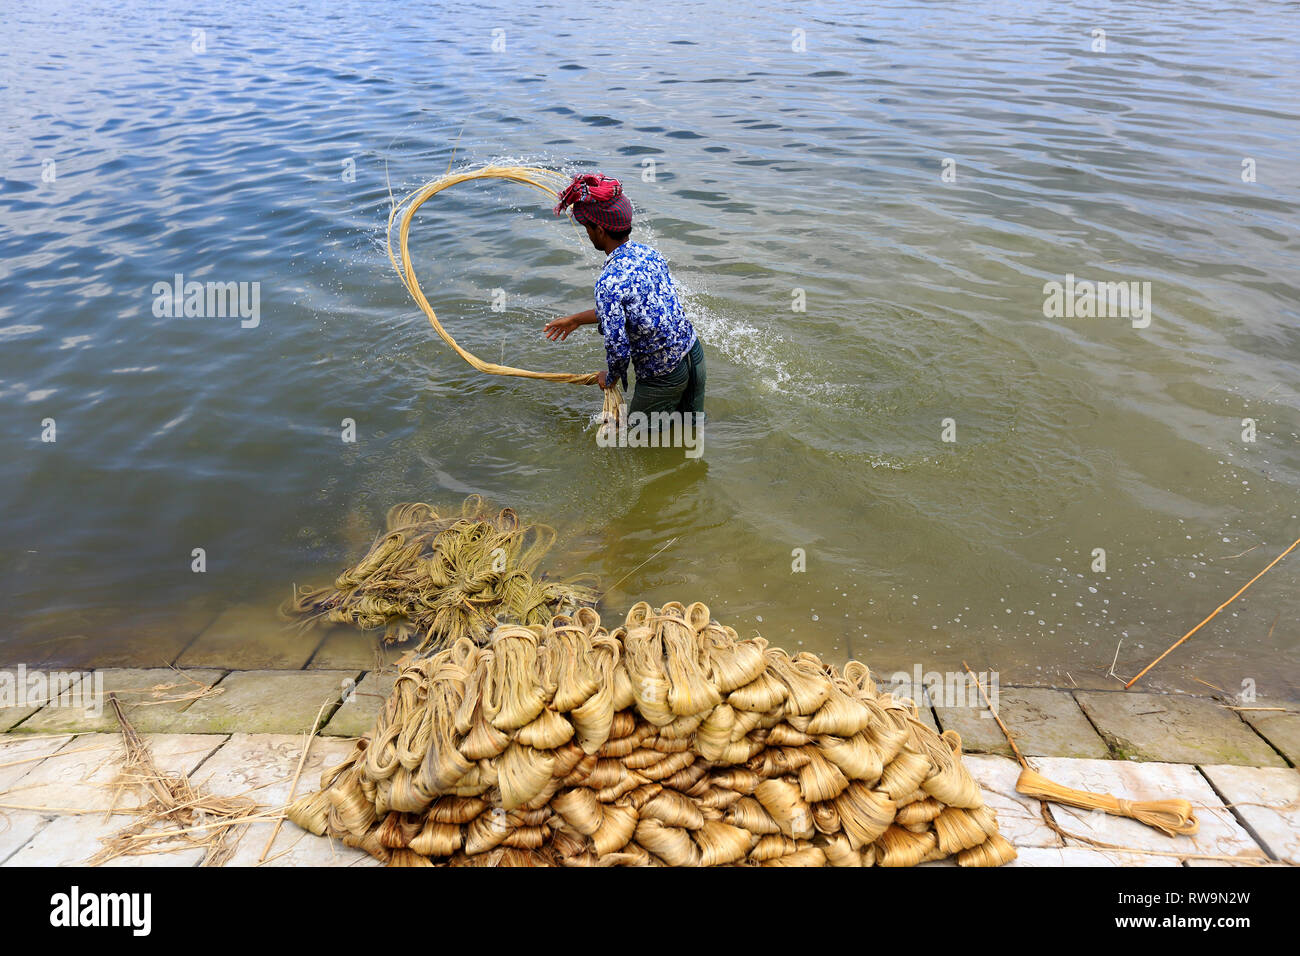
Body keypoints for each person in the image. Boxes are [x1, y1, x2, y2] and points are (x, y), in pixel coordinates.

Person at [543, 173, 705, 425]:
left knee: (642, 445)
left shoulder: (608, 282)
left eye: (588, 228)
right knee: (691, 428)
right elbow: (635, 308)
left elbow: (618, 350)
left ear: (600, 229)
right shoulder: (648, 253)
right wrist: (575, 320)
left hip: (661, 374)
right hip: (693, 356)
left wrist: (610, 378)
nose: (587, 234)